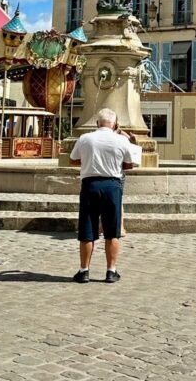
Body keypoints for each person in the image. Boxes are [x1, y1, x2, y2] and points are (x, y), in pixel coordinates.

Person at [69, 108, 141, 283]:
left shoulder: (85, 139)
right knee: (112, 232)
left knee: (87, 231)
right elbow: (131, 164)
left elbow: (72, 159)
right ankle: (111, 271)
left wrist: (88, 161)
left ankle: (84, 270)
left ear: (97, 123)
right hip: (112, 186)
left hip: (90, 186)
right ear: (115, 124)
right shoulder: (121, 141)